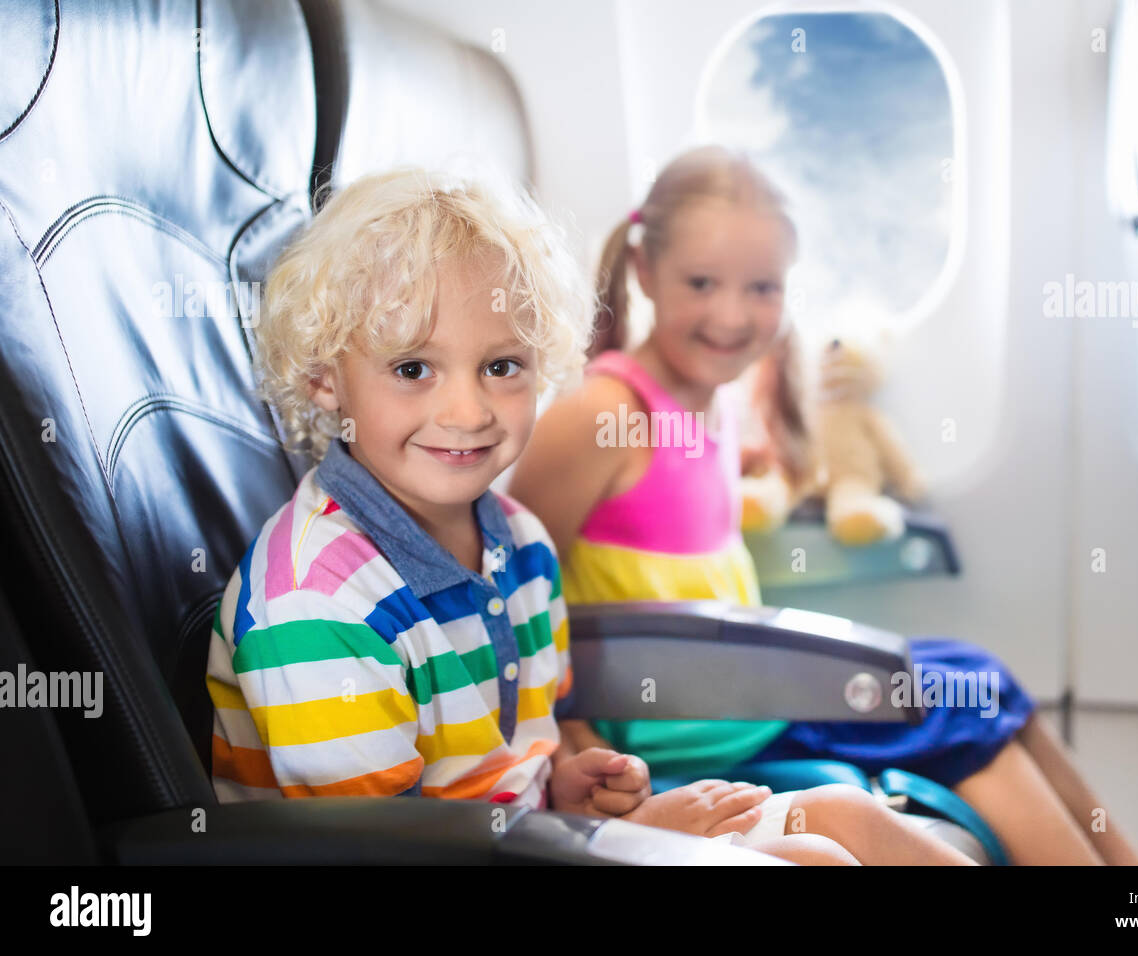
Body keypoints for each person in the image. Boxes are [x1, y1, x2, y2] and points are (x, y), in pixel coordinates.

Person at [203, 166, 977, 865]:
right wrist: (612, 843)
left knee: (846, 818)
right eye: (413, 368)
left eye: (502, 366)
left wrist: (571, 794)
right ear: (324, 379)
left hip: (534, 845)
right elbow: (386, 857)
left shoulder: (520, 545)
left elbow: (506, 770)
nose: (468, 409)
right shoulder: (317, 605)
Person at [509, 145, 1138, 865]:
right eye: (702, 282)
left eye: (762, 288)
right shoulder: (601, 413)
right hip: (696, 721)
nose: (732, 314)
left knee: (976, 676)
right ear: (646, 271)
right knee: (961, 709)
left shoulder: (712, 406)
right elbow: (517, 595)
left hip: (748, 696)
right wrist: (581, 747)